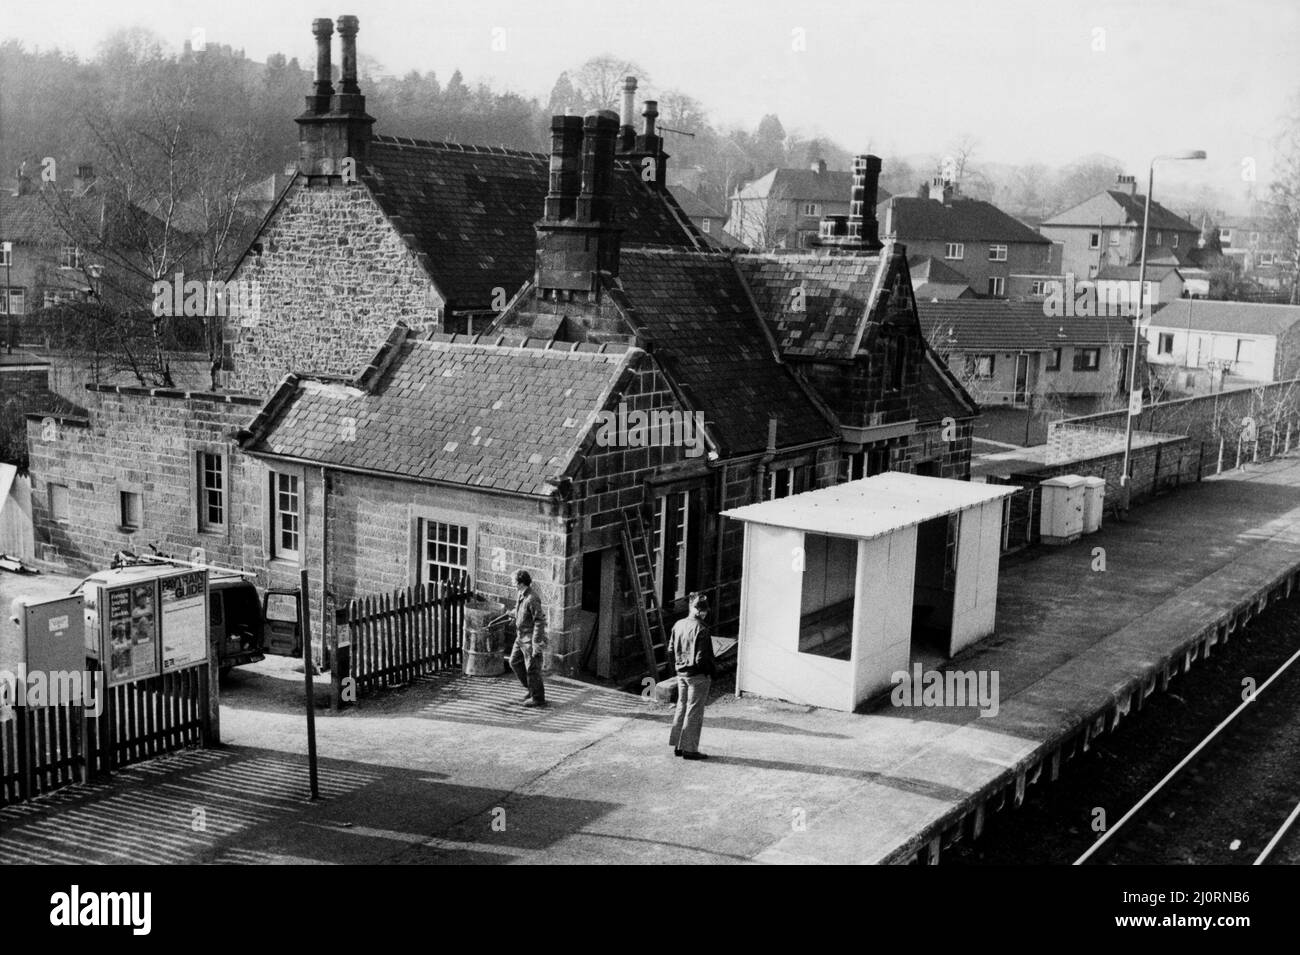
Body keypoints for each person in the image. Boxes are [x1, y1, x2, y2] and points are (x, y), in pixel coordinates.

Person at [668, 592, 716, 760]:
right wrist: (711, 671)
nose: (704, 613)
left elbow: (670, 650)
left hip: (681, 673)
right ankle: (690, 749)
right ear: (698, 610)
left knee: (681, 707)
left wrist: (678, 666)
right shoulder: (701, 628)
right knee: (694, 711)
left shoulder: (678, 624)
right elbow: (701, 658)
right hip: (697, 675)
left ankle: (677, 745)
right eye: (703, 610)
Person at [509, 570, 547, 707]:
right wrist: (513, 614)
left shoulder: (532, 598)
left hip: (529, 639)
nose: (512, 584)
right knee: (514, 662)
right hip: (520, 637)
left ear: (521, 583)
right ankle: (531, 689)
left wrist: (536, 642)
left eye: (514, 581)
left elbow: (539, 621)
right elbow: (520, 610)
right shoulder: (520, 594)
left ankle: (538, 698)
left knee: (532, 668)